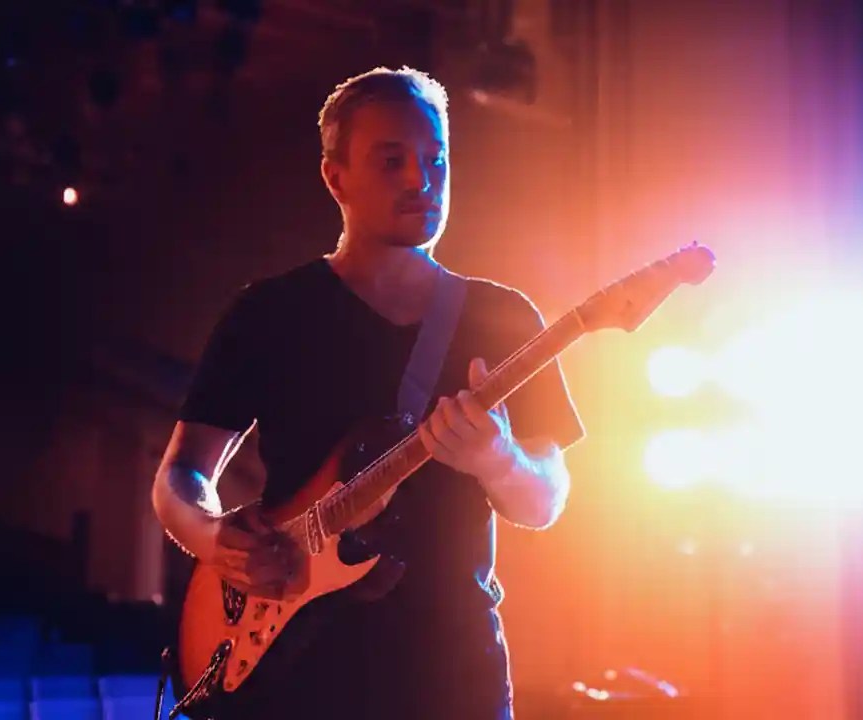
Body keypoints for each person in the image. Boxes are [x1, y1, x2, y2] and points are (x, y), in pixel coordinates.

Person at [152, 66, 584, 720]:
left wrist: (497, 460)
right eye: (392, 161)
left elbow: (545, 500)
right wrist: (215, 540)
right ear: (335, 177)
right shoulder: (268, 314)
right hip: (293, 667)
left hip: (451, 672)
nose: (421, 180)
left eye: (435, 159)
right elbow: (180, 476)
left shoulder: (505, 319)